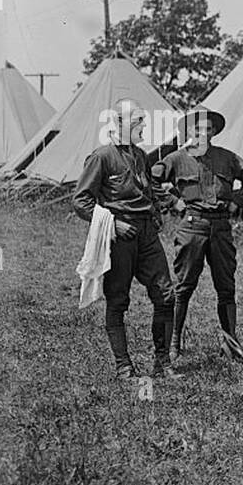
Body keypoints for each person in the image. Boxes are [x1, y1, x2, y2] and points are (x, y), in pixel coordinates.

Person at [72, 99, 176, 380]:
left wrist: (157, 211)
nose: (143, 126)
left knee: (166, 294)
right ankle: (124, 367)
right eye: (138, 121)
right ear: (118, 123)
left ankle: (162, 363)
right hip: (119, 239)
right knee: (117, 300)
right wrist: (113, 225)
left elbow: (149, 191)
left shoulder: (141, 156)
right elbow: (81, 200)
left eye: (144, 120)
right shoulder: (102, 157)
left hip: (147, 236)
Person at [153, 105, 243, 362]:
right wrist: (172, 201)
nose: (203, 133)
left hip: (221, 227)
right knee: (183, 287)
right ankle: (174, 344)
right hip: (192, 226)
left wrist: (237, 200)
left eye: (208, 129)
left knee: (226, 286)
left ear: (213, 132)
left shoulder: (227, 157)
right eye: (198, 128)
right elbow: (151, 179)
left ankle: (231, 344)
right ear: (190, 131)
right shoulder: (177, 159)